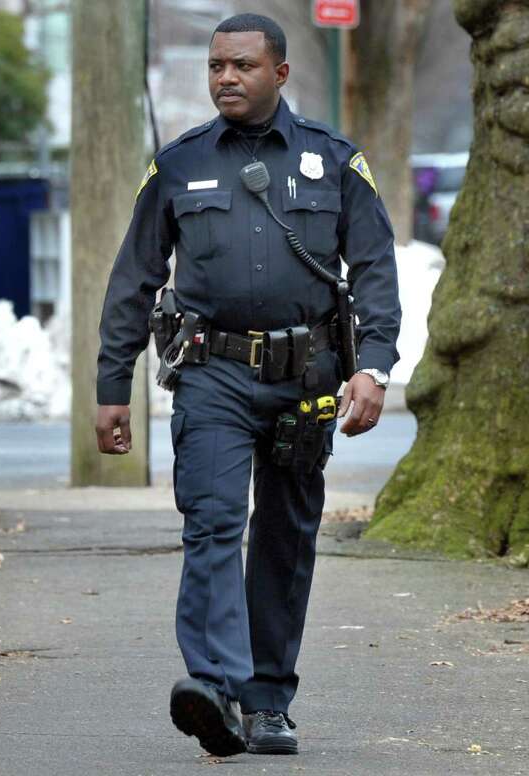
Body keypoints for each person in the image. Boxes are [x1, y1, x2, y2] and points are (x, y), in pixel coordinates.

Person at [94, 12, 400, 758]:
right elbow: (134, 277)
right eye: (216, 67)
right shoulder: (179, 164)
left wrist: (375, 363)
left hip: (308, 378)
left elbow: (375, 268)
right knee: (213, 522)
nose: (226, 78)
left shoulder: (334, 163)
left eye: (242, 66)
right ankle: (215, 689)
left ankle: (268, 702)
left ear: (281, 74)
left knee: (285, 536)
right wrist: (111, 382)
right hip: (213, 374)